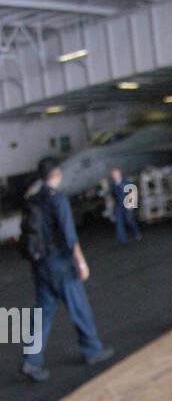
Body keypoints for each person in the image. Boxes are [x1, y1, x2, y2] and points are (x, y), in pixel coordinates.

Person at [19, 158, 114, 383]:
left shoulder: (32, 199)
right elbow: (69, 236)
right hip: (60, 263)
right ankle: (92, 350)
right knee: (79, 307)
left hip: (39, 265)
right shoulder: (58, 200)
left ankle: (31, 361)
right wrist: (80, 262)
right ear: (56, 174)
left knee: (42, 315)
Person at [108, 166, 142, 244]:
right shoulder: (113, 185)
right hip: (119, 206)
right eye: (113, 174)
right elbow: (112, 196)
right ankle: (122, 240)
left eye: (116, 173)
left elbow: (133, 192)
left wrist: (131, 204)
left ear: (119, 174)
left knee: (129, 220)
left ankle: (137, 233)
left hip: (128, 204)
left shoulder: (126, 182)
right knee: (119, 222)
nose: (115, 175)